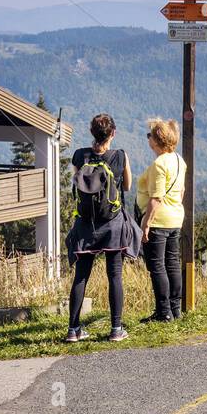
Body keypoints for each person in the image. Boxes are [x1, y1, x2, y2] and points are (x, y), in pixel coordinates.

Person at [65, 113, 140, 342]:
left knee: (81, 276)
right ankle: (116, 329)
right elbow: (126, 186)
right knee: (114, 276)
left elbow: (76, 184)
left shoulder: (79, 156)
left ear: (91, 133)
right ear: (113, 133)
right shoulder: (120, 157)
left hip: (85, 224)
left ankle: (73, 330)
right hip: (112, 224)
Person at [138, 117, 187, 322]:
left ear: (156, 141)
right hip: (175, 217)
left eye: (150, 135)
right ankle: (175, 309)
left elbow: (156, 198)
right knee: (172, 263)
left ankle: (163, 312)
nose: (148, 138)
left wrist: (146, 223)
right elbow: (182, 190)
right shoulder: (178, 160)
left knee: (157, 266)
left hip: (158, 219)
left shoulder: (159, 164)